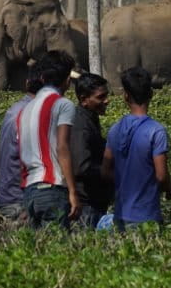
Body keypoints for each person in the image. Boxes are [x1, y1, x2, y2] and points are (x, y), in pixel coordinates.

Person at [102, 67, 171, 232]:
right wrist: (170, 190)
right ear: (151, 95)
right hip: (146, 215)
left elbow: (105, 172)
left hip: (120, 213)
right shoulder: (156, 131)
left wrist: (126, 179)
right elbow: (161, 176)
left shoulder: (115, 129)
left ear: (126, 96)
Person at [18, 50, 80, 229]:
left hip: (30, 189)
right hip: (53, 188)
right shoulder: (63, 104)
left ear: (42, 78)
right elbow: (63, 148)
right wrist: (73, 191)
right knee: (59, 253)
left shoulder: (25, 109)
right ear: (68, 80)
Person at [0, 65, 43, 222]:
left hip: (7, 196)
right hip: (21, 200)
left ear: (27, 83)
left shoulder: (13, 110)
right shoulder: (35, 114)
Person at [72, 72, 113, 229]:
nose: (106, 101)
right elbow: (82, 166)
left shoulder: (90, 118)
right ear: (84, 100)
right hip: (86, 204)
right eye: (100, 97)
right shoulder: (80, 125)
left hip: (94, 201)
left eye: (106, 96)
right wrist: (108, 172)